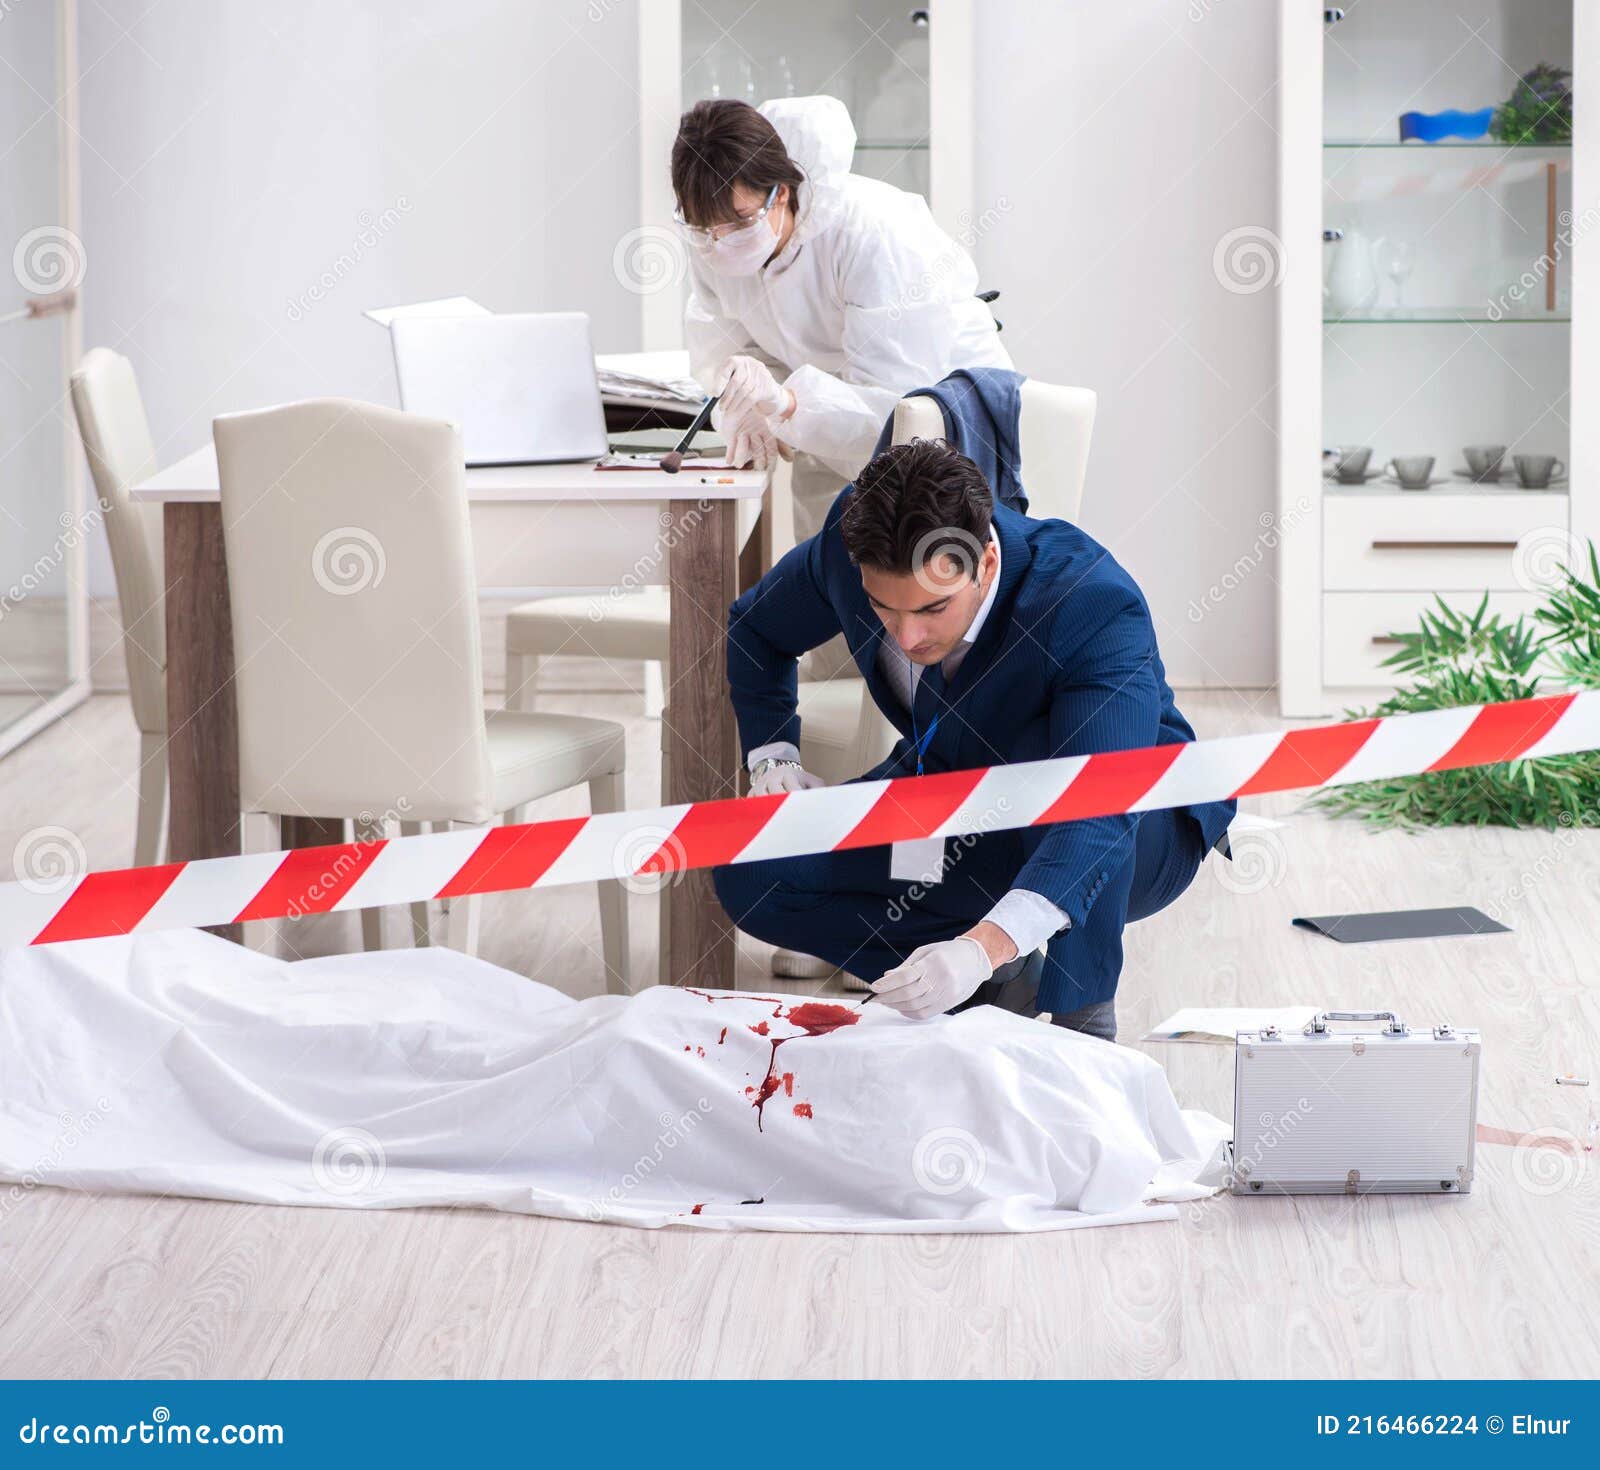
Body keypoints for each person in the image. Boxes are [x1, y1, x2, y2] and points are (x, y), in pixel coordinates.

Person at [712, 440, 1235, 1041]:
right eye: (885, 608)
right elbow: (758, 629)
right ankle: (992, 991)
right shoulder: (847, 543)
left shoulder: (1090, 600)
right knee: (748, 865)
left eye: (933, 609)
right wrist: (773, 756)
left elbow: (1101, 808)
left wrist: (981, 946)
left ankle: (1079, 1019)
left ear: (986, 562)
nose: (908, 638)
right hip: (952, 796)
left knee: (1062, 787)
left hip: (1133, 826)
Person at [671, 94, 1012, 543]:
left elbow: (902, 413)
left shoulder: (871, 235)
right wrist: (747, 401)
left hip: (948, 434)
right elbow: (728, 346)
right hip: (828, 435)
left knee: (929, 590)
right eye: (704, 228)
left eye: (739, 221)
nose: (720, 243)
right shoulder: (713, 246)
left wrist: (786, 403)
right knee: (824, 592)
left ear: (782, 193)